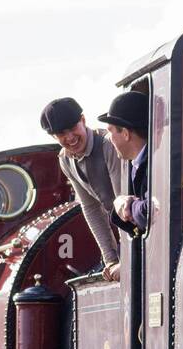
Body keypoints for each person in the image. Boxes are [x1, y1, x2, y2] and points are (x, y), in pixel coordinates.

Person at [40, 96, 122, 282]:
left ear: (83, 120)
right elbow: (91, 208)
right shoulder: (65, 160)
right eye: (61, 133)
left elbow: (123, 200)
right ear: (54, 136)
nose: (69, 138)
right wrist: (110, 259)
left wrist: (127, 259)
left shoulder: (108, 144)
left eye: (72, 128)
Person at [102, 91, 151, 254]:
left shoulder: (154, 162)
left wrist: (128, 205)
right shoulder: (134, 164)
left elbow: (154, 208)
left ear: (125, 133)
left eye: (110, 131)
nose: (109, 138)